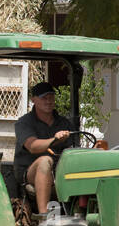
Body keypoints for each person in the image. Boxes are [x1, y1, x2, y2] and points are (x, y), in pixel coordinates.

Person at [14, 81, 75, 214]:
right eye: (44, 98)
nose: (49, 101)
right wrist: (54, 140)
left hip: (59, 172)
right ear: (33, 100)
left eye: (51, 98)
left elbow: (73, 149)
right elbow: (33, 146)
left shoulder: (64, 123)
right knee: (45, 161)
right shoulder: (24, 123)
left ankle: (79, 213)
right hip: (30, 172)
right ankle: (44, 217)